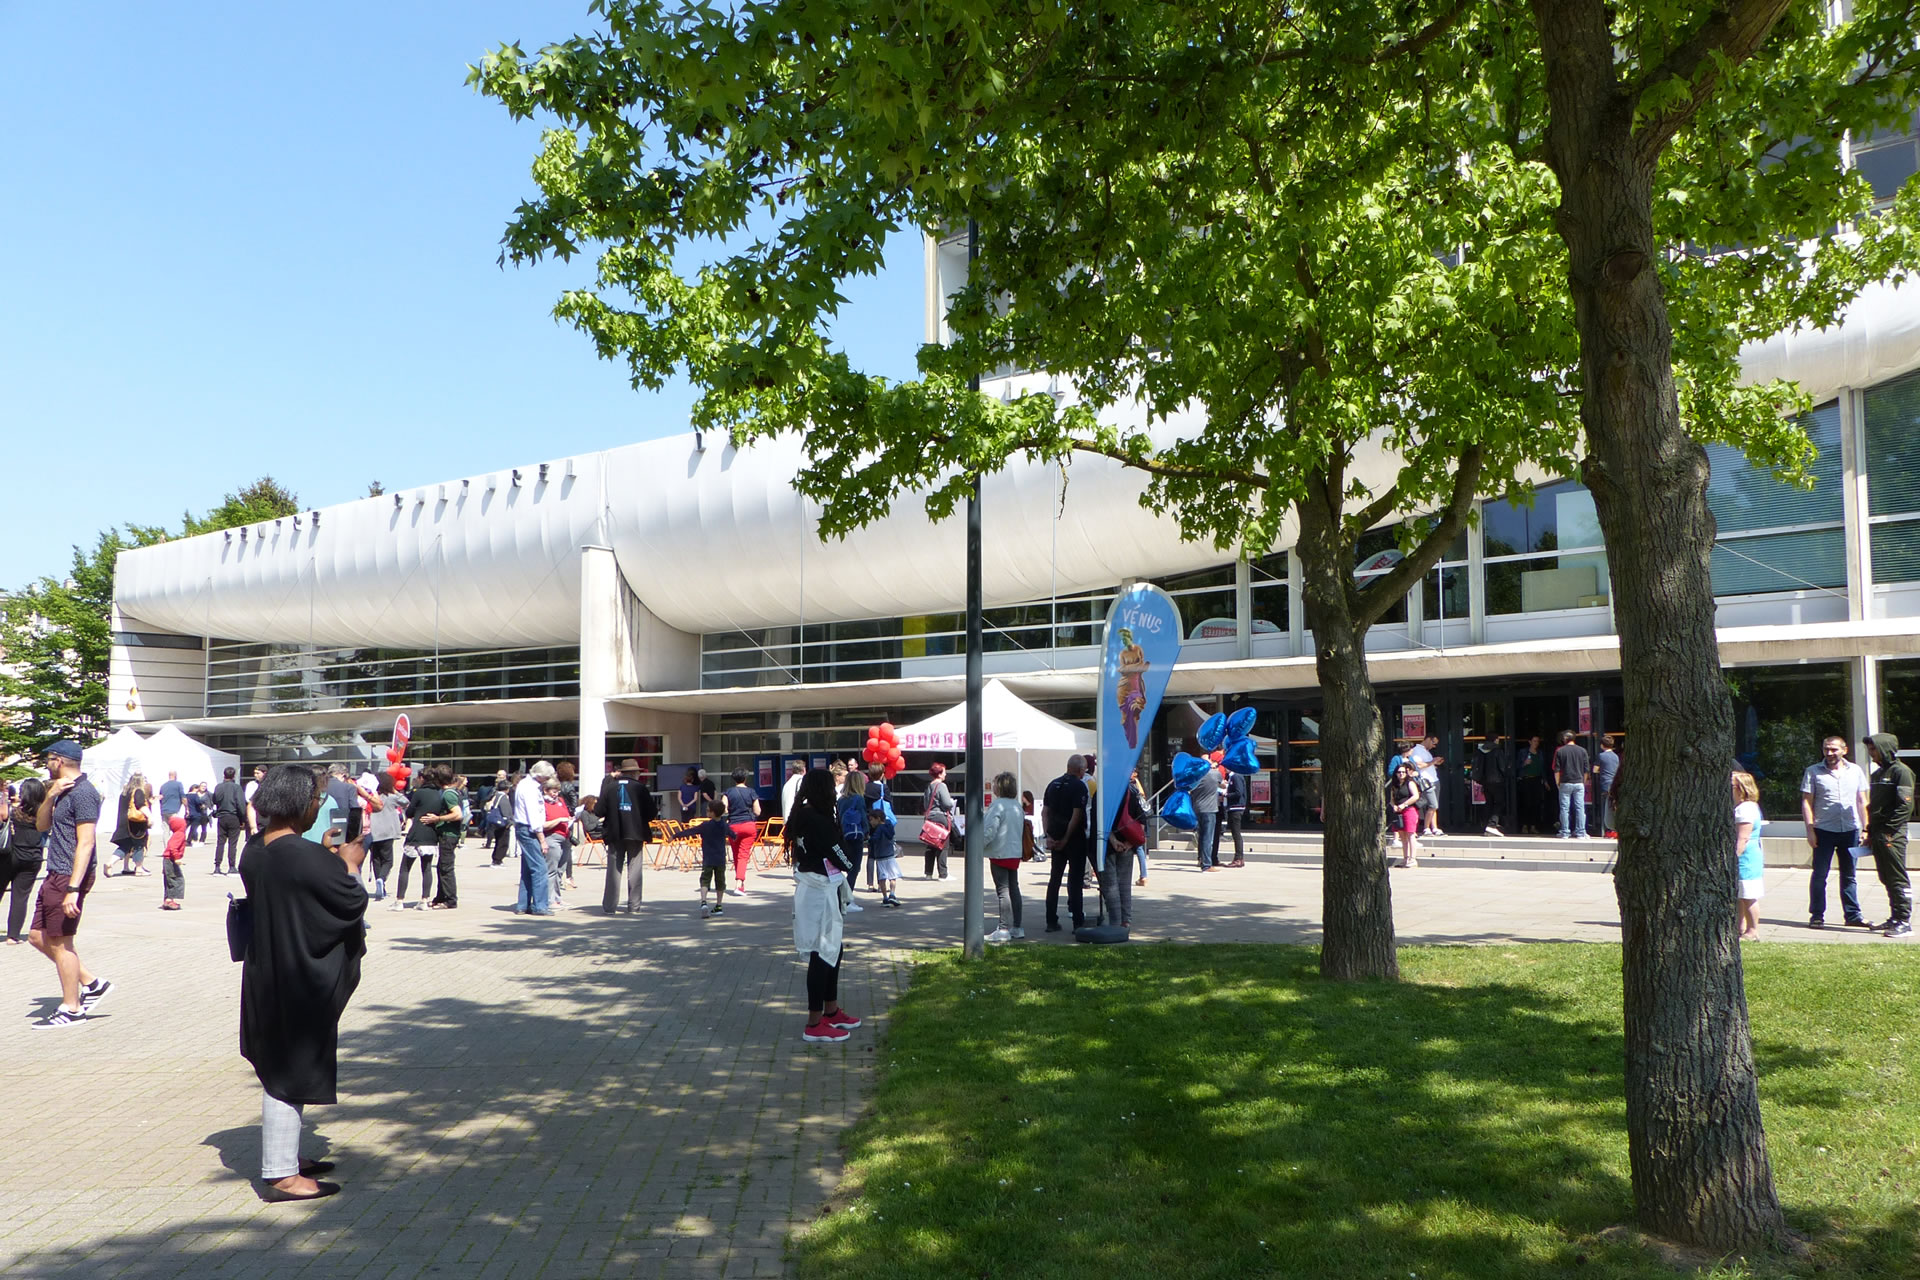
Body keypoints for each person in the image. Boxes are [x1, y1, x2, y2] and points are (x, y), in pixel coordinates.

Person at [238, 764, 367, 1202]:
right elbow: (348, 900)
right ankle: (280, 1174)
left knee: (280, 1063)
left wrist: (327, 860)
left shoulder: (255, 849)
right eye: (315, 800)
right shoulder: (303, 856)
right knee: (289, 1072)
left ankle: (288, 1157)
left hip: (266, 968)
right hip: (299, 976)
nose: (318, 808)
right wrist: (347, 865)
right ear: (297, 802)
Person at [28, 740, 113, 1028]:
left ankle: (72, 1007)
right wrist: (50, 796)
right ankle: (92, 983)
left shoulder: (84, 793)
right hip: (55, 872)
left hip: (69, 875)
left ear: (60, 761)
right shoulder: (61, 792)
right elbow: (41, 826)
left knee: (61, 942)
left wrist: (73, 889)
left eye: (49, 759)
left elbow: (86, 842)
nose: (46, 764)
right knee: (38, 937)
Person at [785, 767, 859, 1042]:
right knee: (821, 952)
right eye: (831, 787)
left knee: (833, 950)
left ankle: (831, 1010)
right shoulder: (817, 818)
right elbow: (840, 856)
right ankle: (814, 1023)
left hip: (815, 886)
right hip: (818, 891)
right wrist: (851, 858)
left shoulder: (803, 813)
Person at [1799, 735, 1871, 930]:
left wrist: (1866, 828)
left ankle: (1853, 915)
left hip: (1850, 830)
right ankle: (1816, 915)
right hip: (1824, 830)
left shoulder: (1855, 771)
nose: (1829, 753)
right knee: (1820, 874)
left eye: (1833, 749)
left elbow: (1861, 800)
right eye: (1826, 749)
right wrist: (1810, 830)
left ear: (1844, 750)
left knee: (1849, 875)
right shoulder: (1813, 772)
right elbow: (1807, 802)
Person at [1862, 733, 1915, 938]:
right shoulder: (1877, 774)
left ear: (1885, 748)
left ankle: (1904, 920)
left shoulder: (1901, 772)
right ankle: (1894, 917)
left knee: (1897, 877)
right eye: (1869, 749)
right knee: (1885, 877)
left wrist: (1888, 829)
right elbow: (1873, 806)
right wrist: (1869, 830)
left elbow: (1905, 806)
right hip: (1877, 833)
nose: (1871, 753)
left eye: (1874, 749)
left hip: (1892, 834)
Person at [597, 757, 657, 914]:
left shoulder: (610, 788)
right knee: (635, 870)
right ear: (635, 773)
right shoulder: (640, 788)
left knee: (613, 871)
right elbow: (652, 813)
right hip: (636, 833)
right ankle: (634, 906)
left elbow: (598, 811)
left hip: (614, 833)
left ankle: (610, 906)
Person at [1043, 755, 1092, 931]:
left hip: (1055, 837)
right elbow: (1076, 815)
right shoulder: (1079, 786)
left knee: (1054, 879)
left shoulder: (1053, 785)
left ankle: (1051, 920)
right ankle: (1078, 921)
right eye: (1084, 769)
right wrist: (1066, 838)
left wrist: (1048, 835)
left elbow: (1045, 812)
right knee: (1075, 881)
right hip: (1074, 839)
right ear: (1080, 770)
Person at [977, 771, 1026, 943]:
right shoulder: (1016, 805)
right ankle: (1017, 926)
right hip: (1014, 852)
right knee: (1014, 888)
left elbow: (990, 830)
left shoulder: (997, 805)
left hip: (1000, 852)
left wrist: (978, 846)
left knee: (1002, 891)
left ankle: (1003, 928)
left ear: (1000, 787)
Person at [1098, 770, 1149, 930]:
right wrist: (1128, 842)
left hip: (1108, 844)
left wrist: (1112, 840)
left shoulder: (1103, 794)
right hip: (1127, 843)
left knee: (1111, 885)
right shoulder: (1133, 792)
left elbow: (1098, 820)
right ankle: (1125, 920)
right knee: (1124, 884)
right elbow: (1143, 819)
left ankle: (1114, 921)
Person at [396, 767, 448, 911]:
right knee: (427, 868)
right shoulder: (440, 793)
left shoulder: (419, 793)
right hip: (431, 833)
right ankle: (424, 900)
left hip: (417, 832)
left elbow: (411, 812)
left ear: (422, 778)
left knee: (405, 868)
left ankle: (399, 901)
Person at [4, 780, 47, 945]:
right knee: (20, 897)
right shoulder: (44, 814)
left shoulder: (14, 812)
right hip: (33, 858)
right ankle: (12, 936)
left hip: (11, 856)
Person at [513, 761, 555, 915]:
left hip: (524, 828)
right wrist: (542, 839)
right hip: (529, 830)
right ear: (540, 776)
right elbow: (533, 817)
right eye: (546, 778)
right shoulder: (530, 789)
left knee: (528, 868)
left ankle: (523, 905)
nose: (547, 781)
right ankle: (540, 906)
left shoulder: (524, 784)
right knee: (540, 869)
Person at [1734, 770, 1765, 940]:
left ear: (1741, 788)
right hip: (1748, 855)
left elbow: (1743, 837)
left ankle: (1752, 931)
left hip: (1746, 857)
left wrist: (1733, 858)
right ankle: (1740, 928)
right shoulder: (1746, 807)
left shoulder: (1745, 809)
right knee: (1740, 895)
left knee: (1748, 895)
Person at [363, 771, 402, 900]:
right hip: (387, 832)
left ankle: (379, 883)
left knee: (376, 859)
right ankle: (382, 879)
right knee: (388, 860)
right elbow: (406, 802)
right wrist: (395, 790)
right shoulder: (391, 797)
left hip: (373, 831)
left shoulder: (370, 798)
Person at [433, 771, 468, 909]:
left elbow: (457, 814)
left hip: (449, 834)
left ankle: (450, 899)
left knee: (446, 867)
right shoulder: (454, 792)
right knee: (442, 867)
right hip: (448, 834)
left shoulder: (448, 794)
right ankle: (440, 897)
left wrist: (438, 819)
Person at [723, 767, 761, 895]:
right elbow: (758, 811)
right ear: (745, 778)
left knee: (736, 855)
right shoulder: (751, 792)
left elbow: (724, 809)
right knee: (743, 855)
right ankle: (739, 884)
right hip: (748, 826)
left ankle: (740, 883)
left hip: (733, 826)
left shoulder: (728, 792)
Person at [109, 773, 153, 878]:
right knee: (139, 845)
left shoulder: (125, 792)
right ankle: (139, 868)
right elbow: (140, 805)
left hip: (124, 824)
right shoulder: (138, 791)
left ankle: (111, 863)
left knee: (125, 846)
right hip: (135, 824)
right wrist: (150, 817)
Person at [693, 803, 732, 916]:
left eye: (708, 810)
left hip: (708, 858)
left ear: (712, 813)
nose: (707, 811)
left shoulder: (705, 825)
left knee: (705, 880)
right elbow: (733, 835)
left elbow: (690, 831)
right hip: (720, 858)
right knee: (720, 882)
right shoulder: (724, 825)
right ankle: (718, 905)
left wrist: (675, 836)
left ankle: (704, 902)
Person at [868, 782, 902, 907]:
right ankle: (893, 894)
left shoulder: (878, 829)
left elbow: (874, 840)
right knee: (893, 877)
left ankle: (885, 897)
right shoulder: (888, 826)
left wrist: (869, 840)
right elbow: (891, 834)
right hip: (890, 855)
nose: (870, 822)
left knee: (882, 878)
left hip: (881, 857)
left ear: (877, 819)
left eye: (871, 819)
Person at [921, 762, 956, 880]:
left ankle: (928, 873)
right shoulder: (941, 786)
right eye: (944, 772)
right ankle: (943, 874)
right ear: (940, 774)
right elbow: (947, 803)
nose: (946, 774)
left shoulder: (928, 786)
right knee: (942, 846)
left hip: (930, 817)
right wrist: (951, 802)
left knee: (930, 845)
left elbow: (926, 804)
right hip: (940, 818)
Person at [1552, 730, 1590, 839]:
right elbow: (1586, 770)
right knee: (1580, 807)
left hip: (1565, 782)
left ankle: (1565, 832)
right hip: (1579, 782)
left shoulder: (1560, 751)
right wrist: (1584, 781)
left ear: (1564, 739)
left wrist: (1557, 783)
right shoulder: (1582, 750)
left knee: (1564, 808)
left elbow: (1557, 770)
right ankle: (1581, 831)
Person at [542, 778, 573, 909]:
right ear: (546, 790)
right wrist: (559, 820)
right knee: (551, 870)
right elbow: (543, 825)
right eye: (553, 791)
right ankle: (550, 899)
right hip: (552, 837)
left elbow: (566, 814)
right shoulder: (542, 803)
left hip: (565, 837)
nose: (556, 794)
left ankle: (558, 897)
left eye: (557, 791)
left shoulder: (560, 801)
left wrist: (570, 819)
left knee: (561, 869)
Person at [1472, 735, 1511, 834]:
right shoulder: (1497, 750)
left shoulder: (1480, 751)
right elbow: (1502, 767)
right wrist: (1507, 774)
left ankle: (1485, 825)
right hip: (1497, 781)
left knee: (1489, 803)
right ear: (1495, 739)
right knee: (1499, 803)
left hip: (1485, 781)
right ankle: (1492, 824)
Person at [837, 768, 869, 891]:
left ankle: (842, 894)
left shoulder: (841, 799)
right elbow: (863, 817)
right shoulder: (859, 799)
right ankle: (847, 897)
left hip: (844, 835)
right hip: (856, 836)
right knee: (855, 868)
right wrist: (866, 832)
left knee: (846, 865)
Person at [213, 766, 248, 875]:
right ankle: (232, 866)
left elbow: (215, 800)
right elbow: (240, 804)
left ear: (224, 775)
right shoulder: (236, 788)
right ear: (234, 775)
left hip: (222, 816)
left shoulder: (218, 787)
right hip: (233, 816)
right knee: (232, 843)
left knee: (220, 842)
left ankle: (217, 867)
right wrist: (243, 819)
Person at [1189, 754, 1221, 873]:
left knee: (1201, 836)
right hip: (1210, 809)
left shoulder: (1195, 776)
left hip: (1197, 808)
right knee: (1208, 837)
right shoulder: (1215, 774)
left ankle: (1201, 860)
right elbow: (1222, 784)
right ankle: (1207, 864)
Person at [1389, 761, 1422, 868]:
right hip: (1398, 811)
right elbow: (1391, 799)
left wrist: (1404, 804)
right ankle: (1405, 858)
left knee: (1410, 834)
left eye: (1403, 772)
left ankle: (1413, 859)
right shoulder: (1394, 785)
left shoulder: (1410, 783)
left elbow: (1415, 796)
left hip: (1409, 810)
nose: (1401, 774)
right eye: (1399, 772)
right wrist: (1394, 805)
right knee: (1402, 836)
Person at [1408, 735, 1444, 836]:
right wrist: (1433, 761)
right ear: (1428, 739)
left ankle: (1434, 827)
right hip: (1426, 781)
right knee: (1432, 805)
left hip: (1433, 779)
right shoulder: (1417, 751)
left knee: (1434, 806)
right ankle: (1426, 828)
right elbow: (1418, 765)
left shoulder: (1426, 751)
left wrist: (1435, 762)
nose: (1434, 746)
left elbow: (1427, 765)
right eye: (1433, 743)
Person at [1517, 736, 1548, 834]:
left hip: (1537, 780)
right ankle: (1525, 825)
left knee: (1536, 804)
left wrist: (1545, 780)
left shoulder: (1540, 753)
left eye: (1538, 741)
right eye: (1534, 741)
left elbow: (1542, 768)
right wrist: (1524, 763)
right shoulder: (1523, 752)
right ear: (1529, 742)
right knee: (1526, 803)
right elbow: (1516, 765)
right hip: (1526, 779)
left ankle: (1533, 826)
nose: (1536, 743)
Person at [1593, 735, 1622, 837]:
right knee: (1613, 806)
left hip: (1605, 783)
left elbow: (1595, 770)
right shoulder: (1616, 756)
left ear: (1602, 745)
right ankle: (1613, 829)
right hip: (1614, 782)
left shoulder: (1601, 756)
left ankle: (1605, 830)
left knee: (1605, 806)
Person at [160, 811, 187, 909]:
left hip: (167, 860)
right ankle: (169, 900)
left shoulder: (176, 834)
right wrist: (177, 858)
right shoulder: (180, 834)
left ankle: (167, 899)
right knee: (176, 880)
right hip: (170, 860)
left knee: (169, 880)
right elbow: (172, 847)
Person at [1222, 769, 1248, 868]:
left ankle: (1238, 858)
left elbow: (1238, 792)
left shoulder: (1236, 776)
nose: (1225, 768)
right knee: (1235, 833)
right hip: (1234, 807)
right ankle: (1238, 858)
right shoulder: (1232, 777)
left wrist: (1226, 795)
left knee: (1236, 834)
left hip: (1236, 808)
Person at [245, 765, 267, 836]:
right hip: (255, 815)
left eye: (258, 773)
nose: (255, 775)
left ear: (264, 773)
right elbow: (248, 800)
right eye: (255, 773)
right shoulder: (251, 784)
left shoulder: (269, 785)